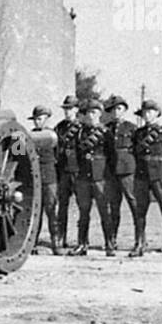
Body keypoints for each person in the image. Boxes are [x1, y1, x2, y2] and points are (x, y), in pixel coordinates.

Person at [131, 98, 162, 259]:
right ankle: (139, 244)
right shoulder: (138, 134)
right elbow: (134, 155)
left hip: (160, 174)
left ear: (157, 114)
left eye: (150, 112)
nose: (147, 115)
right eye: (145, 112)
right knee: (140, 212)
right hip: (142, 175)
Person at [68, 98, 112, 257]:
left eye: (94, 113)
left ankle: (109, 243)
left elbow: (111, 156)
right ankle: (82, 244)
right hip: (83, 178)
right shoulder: (81, 132)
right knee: (83, 212)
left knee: (104, 212)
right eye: (88, 113)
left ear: (99, 114)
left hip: (100, 178)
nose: (91, 116)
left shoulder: (106, 132)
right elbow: (77, 154)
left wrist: (108, 178)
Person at [103, 95, 137, 257]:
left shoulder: (132, 128)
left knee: (134, 205)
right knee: (113, 208)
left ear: (124, 110)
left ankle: (139, 241)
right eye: (113, 110)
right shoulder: (106, 128)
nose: (116, 112)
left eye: (119, 109)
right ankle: (112, 240)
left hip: (128, 170)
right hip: (111, 171)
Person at [28, 105, 60, 255]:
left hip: (50, 177)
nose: (37, 122)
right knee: (35, 212)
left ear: (46, 119)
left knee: (52, 210)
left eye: (40, 119)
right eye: (35, 119)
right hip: (34, 178)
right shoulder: (27, 135)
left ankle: (56, 243)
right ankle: (32, 244)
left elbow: (59, 157)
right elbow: (17, 154)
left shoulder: (52, 135)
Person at [54, 95, 81, 248]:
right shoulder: (59, 127)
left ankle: (81, 240)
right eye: (65, 109)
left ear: (76, 110)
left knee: (82, 207)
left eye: (70, 109)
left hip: (78, 170)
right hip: (64, 170)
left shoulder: (82, 127)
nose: (67, 112)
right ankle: (60, 237)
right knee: (62, 205)